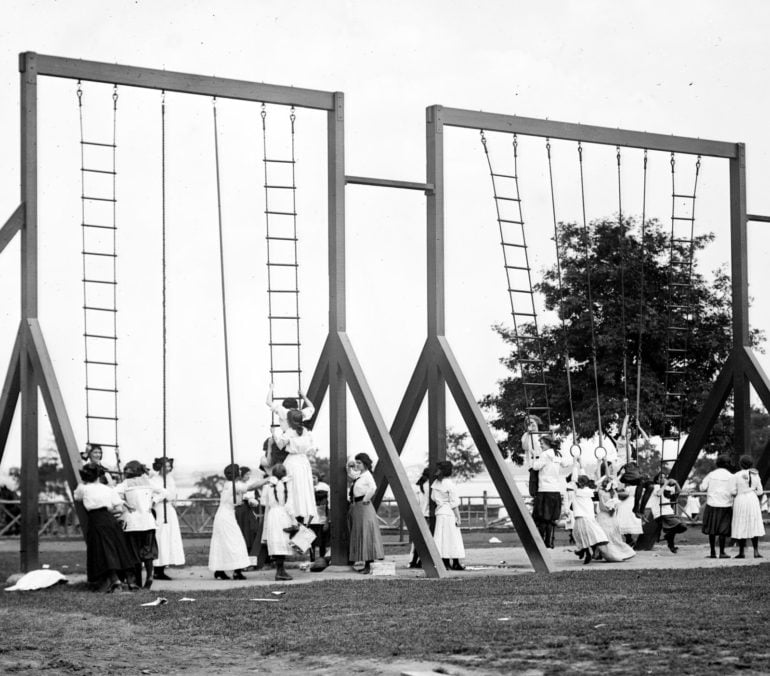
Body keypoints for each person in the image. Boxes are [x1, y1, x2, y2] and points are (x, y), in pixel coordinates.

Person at [77, 464, 138, 592]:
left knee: (103, 549)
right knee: (118, 547)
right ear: (99, 476)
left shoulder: (83, 488)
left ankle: (115, 580)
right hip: (109, 518)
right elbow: (118, 505)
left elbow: (77, 497)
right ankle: (130, 580)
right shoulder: (107, 489)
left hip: (96, 519)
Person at [208, 463, 268, 580]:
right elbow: (251, 487)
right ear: (237, 474)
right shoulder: (233, 485)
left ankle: (220, 571)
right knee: (237, 542)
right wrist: (267, 480)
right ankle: (236, 571)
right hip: (226, 516)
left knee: (224, 543)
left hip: (224, 515)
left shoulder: (230, 484)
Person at [115, 460, 164, 590]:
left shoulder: (126, 483)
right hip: (147, 521)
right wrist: (153, 501)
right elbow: (164, 492)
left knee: (132, 552)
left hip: (132, 522)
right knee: (148, 551)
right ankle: (149, 576)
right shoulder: (148, 481)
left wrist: (125, 503)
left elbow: (112, 494)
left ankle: (133, 581)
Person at [272, 409, 318, 524]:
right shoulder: (305, 431)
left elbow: (280, 445)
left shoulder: (289, 432)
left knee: (292, 488)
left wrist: (274, 433)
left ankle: (294, 515)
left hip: (292, 461)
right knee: (303, 488)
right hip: (303, 462)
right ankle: (303, 513)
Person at [532, 436, 574, 549]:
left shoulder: (545, 454)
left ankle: (541, 541)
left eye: (542, 443)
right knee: (550, 519)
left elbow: (535, 467)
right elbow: (566, 463)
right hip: (555, 489)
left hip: (544, 489)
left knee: (541, 518)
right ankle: (549, 541)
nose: (541, 445)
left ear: (547, 444)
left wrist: (535, 457)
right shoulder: (557, 454)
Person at [148, 457, 185, 580]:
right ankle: (157, 569)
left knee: (169, 537)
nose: (168, 469)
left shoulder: (170, 478)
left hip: (169, 509)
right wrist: (161, 497)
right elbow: (153, 495)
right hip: (160, 509)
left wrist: (171, 498)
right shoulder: (154, 480)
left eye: (170, 466)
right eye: (166, 466)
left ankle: (163, 567)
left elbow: (172, 494)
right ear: (159, 466)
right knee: (161, 537)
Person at [261, 463, 299, 581]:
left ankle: (280, 570)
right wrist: (294, 520)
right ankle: (280, 571)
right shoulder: (287, 485)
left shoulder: (268, 486)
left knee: (276, 541)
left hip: (273, 514)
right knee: (283, 541)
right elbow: (289, 505)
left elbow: (263, 502)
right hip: (283, 514)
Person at [348, 452, 384, 574]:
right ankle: (365, 564)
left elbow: (373, 488)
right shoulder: (360, 475)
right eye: (356, 462)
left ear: (365, 464)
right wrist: (350, 465)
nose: (357, 465)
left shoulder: (367, 476)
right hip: (358, 507)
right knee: (361, 532)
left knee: (367, 533)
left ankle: (369, 565)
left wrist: (365, 499)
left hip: (364, 506)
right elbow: (351, 474)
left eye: (359, 463)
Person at [431, 460, 466, 571]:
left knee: (442, 538)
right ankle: (455, 562)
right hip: (449, 513)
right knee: (453, 538)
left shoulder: (435, 484)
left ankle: (445, 563)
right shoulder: (450, 484)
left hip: (440, 513)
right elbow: (454, 503)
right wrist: (458, 518)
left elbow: (433, 498)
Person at [700, 454, 735, 559]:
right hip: (726, 505)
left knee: (712, 529)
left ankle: (712, 552)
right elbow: (734, 491)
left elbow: (702, 488)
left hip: (712, 504)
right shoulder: (731, 476)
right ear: (728, 464)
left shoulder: (711, 475)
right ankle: (722, 552)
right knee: (723, 530)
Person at [730, 455, 765, 559]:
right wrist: (751, 490)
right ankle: (756, 551)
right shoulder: (756, 475)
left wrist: (739, 491)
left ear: (740, 464)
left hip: (741, 499)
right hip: (752, 499)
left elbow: (732, 491)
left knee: (741, 522)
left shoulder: (736, 475)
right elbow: (760, 491)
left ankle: (741, 552)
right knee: (753, 522)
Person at [595, 476, 636, 561]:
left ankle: (615, 553)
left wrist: (611, 508)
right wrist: (610, 509)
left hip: (609, 516)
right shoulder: (606, 492)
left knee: (609, 535)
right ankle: (603, 553)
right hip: (608, 515)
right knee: (606, 535)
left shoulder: (609, 492)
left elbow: (612, 504)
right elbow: (605, 505)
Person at [570, 475, 609, 564]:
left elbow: (573, 479)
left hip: (581, 516)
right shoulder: (590, 491)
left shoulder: (577, 491)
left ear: (579, 483)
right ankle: (583, 551)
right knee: (585, 534)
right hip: (589, 517)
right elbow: (597, 482)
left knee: (580, 535)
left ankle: (586, 552)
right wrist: (604, 476)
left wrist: (576, 463)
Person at [647, 472, 687, 553]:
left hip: (668, 512)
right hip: (660, 513)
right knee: (680, 526)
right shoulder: (656, 487)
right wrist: (665, 483)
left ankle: (670, 544)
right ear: (657, 480)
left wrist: (676, 483)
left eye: (665, 477)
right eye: (661, 477)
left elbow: (678, 492)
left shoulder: (667, 488)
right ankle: (668, 539)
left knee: (676, 528)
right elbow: (658, 494)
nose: (664, 478)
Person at [234, 466, 263, 566]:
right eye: (246, 475)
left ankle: (251, 560)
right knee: (244, 533)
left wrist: (253, 502)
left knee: (253, 531)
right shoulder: (237, 485)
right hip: (240, 511)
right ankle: (242, 560)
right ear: (241, 475)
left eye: (249, 475)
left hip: (249, 510)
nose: (248, 477)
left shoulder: (249, 485)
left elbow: (252, 498)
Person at [408, 466, 431, 569]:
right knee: (427, 540)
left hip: (419, 515)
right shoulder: (428, 486)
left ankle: (414, 560)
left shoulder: (418, 487)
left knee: (418, 540)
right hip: (425, 516)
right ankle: (420, 561)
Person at [309, 473, 330, 565]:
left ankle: (322, 558)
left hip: (321, 517)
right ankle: (312, 558)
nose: (313, 479)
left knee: (322, 541)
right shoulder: (307, 486)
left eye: (314, 477)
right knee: (311, 540)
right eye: (311, 477)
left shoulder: (323, 486)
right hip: (311, 519)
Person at [521, 415, 543, 498]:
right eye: (528, 424)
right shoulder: (526, 435)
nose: (531, 425)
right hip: (533, 464)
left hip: (543, 463)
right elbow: (525, 446)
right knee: (534, 488)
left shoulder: (542, 434)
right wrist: (529, 434)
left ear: (536, 422)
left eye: (532, 423)